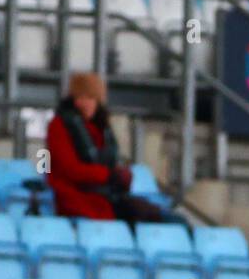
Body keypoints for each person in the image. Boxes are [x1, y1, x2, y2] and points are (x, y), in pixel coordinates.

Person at [46, 71, 175, 225]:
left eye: (91, 98)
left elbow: (109, 164)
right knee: (153, 218)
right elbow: (70, 169)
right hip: (78, 199)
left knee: (169, 219)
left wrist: (121, 178)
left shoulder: (101, 127)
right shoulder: (59, 126)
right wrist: (110, 176)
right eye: (81, 97)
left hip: (106, 197)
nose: (86, 103)